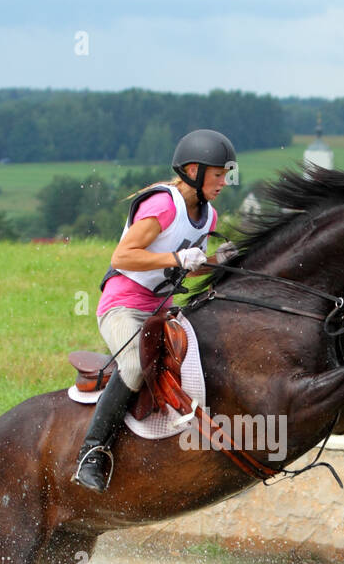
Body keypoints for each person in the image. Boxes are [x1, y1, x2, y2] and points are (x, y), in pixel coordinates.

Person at [72, 128, 239, 492]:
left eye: (226, 175)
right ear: (193, 170)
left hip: (164, 308)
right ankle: (92, 452)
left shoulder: (208, 217)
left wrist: (217, 262)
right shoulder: (162, 205)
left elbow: (191, 265)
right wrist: (178, 257)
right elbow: (123, 256)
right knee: (133, 364)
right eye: (218, 175)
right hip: (123, 307)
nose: (224, 182)